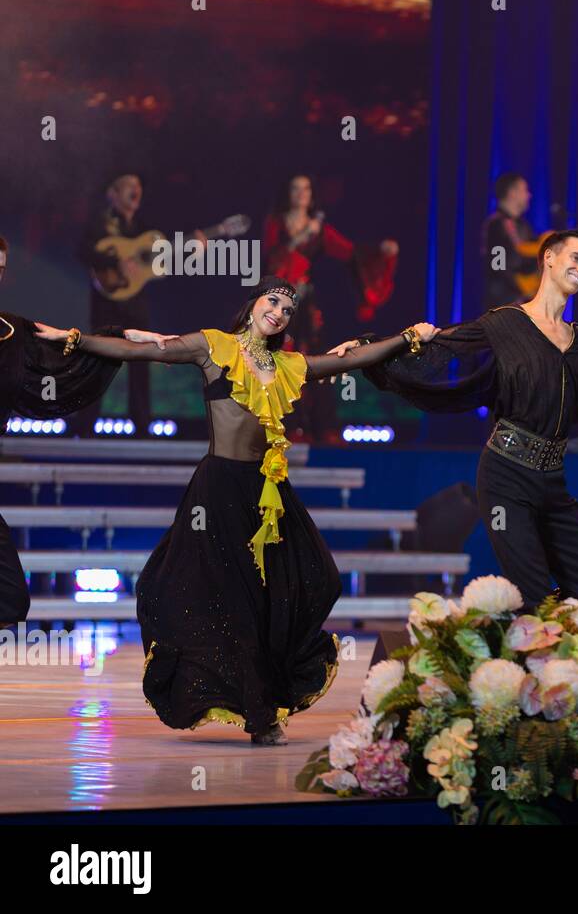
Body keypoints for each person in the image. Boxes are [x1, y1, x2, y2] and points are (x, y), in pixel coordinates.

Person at [35, 278, 435, 743]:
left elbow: (351, 359)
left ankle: (273, 687)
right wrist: (75, 338)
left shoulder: (288, 364)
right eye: (273, 301)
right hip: (219, 489)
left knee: (319, 577)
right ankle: (260, 716)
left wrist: (408, 338)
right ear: (253, 305)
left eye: (289, 309)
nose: (280, 312)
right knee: (238, 603)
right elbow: (146, 352)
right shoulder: (214, 346)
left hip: (267, 490)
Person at [363, 229, 578, 608]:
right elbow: (444, 346)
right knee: (535, 596)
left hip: (553, 480)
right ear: (549, 258)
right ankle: (526, 661)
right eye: (575, 258)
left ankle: (542, 656)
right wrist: (366, 351)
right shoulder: (506, 323)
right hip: (506, 475)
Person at [0, 235, 153, 624]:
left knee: (10, 599)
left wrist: (141, 339)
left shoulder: (14, 333)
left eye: (0, 269)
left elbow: (74, 346)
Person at [263, 173, 399, 441]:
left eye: (306, 189)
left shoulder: (320, 229)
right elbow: (271, 259)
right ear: (288, 193)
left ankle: (319, 426)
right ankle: (286, 425)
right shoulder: (277, 224)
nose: (302, 194)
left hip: (306, 306)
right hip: (277, 304)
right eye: (296, 188)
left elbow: (349, 252)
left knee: (314, 362)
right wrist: (303, 235)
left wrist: (379, 250)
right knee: (278, 361)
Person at [77, 173, 200, 434]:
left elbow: (161, 264)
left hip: (136, 305)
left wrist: (192, 246)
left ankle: (142, 426)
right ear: (113, 192)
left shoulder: (146, 228)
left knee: (142, 360)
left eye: (139, 186)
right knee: (99, 360)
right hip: (106, 304)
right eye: (129, 186)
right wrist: (114, 263)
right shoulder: (99, 223)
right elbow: (82, 251)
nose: (136, 190)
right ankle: (86, 426)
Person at [480, 172, 537, 311]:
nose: (529, 195)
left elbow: (530, 259)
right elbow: (497, 266)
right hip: (502, 306)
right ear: (513, 193)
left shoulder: (524, 226)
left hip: (523, 304)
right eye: (525, 190)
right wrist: (521, 287)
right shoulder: (496, 225)